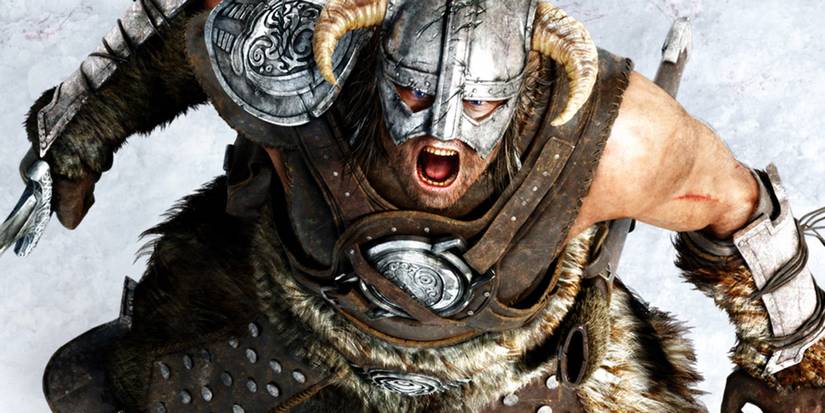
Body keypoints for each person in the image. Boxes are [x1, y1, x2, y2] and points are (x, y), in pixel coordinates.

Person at [3, 0, 823, 411]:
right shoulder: (294, 49)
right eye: (411, 95)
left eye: (478, 107)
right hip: (283, 331)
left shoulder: (621, 138)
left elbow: (742, 209)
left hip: (514, 377)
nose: (441, 136)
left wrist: (794, 365)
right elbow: (182, 34)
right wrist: (77, 136)